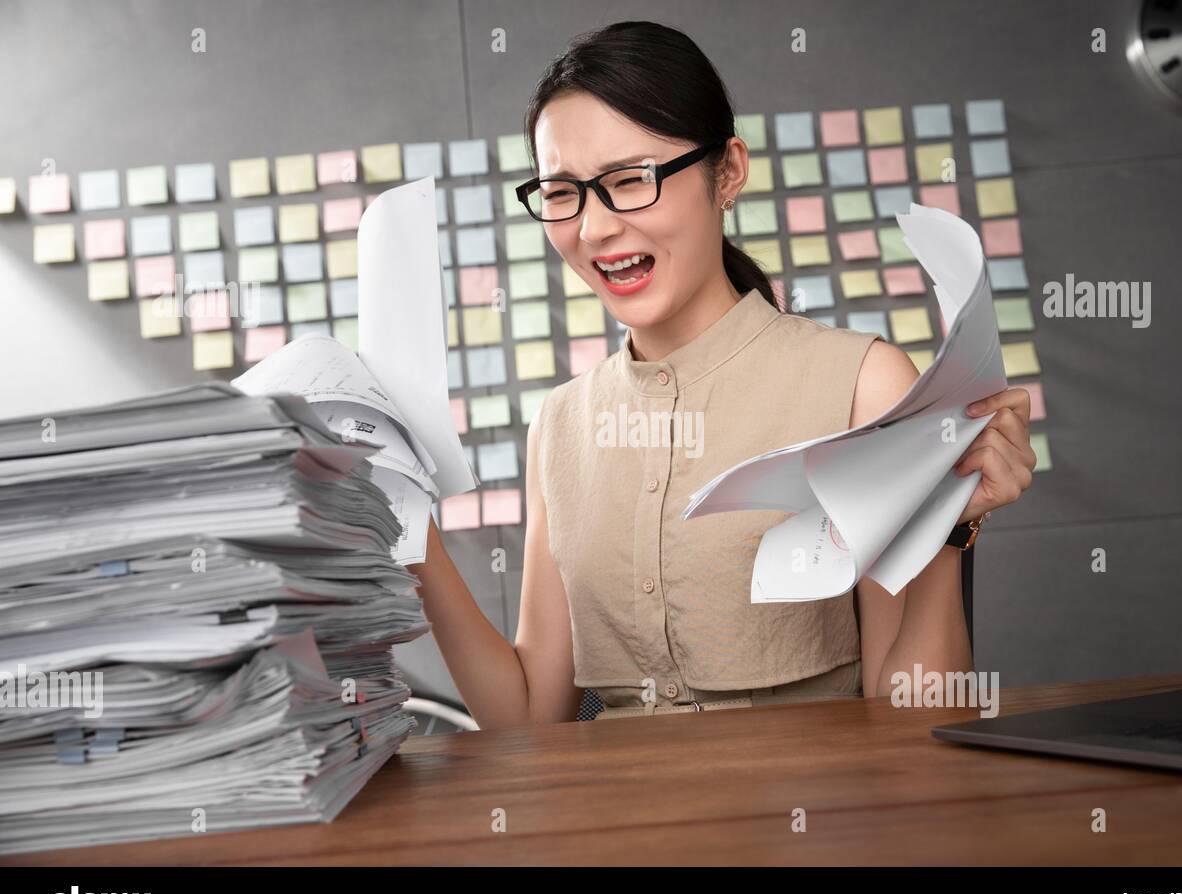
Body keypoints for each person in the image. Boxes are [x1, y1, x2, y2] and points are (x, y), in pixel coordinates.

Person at [410, 20, 1035, 727]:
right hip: (612, 828)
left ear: (728, 172)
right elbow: (528, 719)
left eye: (628, 180)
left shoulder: (866, 384)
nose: (593, 229)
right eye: (562, 193)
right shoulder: (560, 424)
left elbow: (912, 717)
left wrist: (949, 527)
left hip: (814, 824)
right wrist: (412, 535)